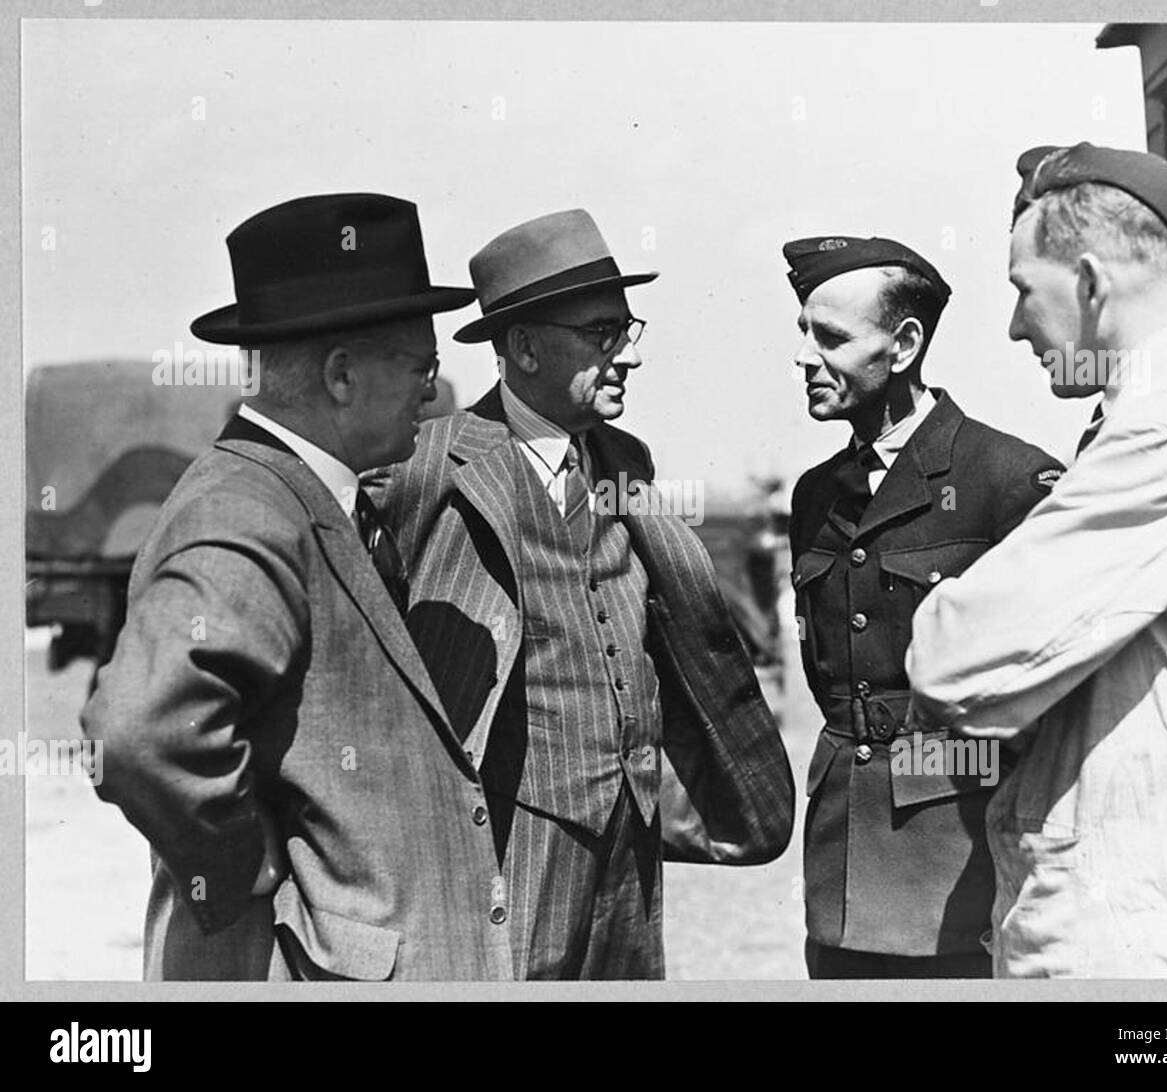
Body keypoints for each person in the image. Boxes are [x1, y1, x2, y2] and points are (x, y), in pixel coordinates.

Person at [81, 193, 514, 981]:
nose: (430, 391)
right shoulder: (246, 512)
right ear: (341, 375)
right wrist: (250, 872)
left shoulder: (302, 497)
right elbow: (138, 735)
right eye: (420, 366)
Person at [369, 208, 794, 980]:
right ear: (524, 347)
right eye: (602, 335)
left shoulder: (626, 457)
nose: (626, 356)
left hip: (630, 826)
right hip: (512, 826)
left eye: (628, 331)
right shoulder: (429, 465)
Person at [907, 143, 1167, 978]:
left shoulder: (1166, 438)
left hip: (1143, 947)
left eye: (1021, 292)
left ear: (1088, 283)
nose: (1012, 327)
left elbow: (951, 662)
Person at [783, 234, 1062, 979]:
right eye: (803, 333)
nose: (806, 355)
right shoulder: (815, 494)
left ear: (904, 345)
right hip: (842, 864)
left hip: (958, 868)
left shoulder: (1010, 479)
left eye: (832, 337)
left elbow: (1045, 697)